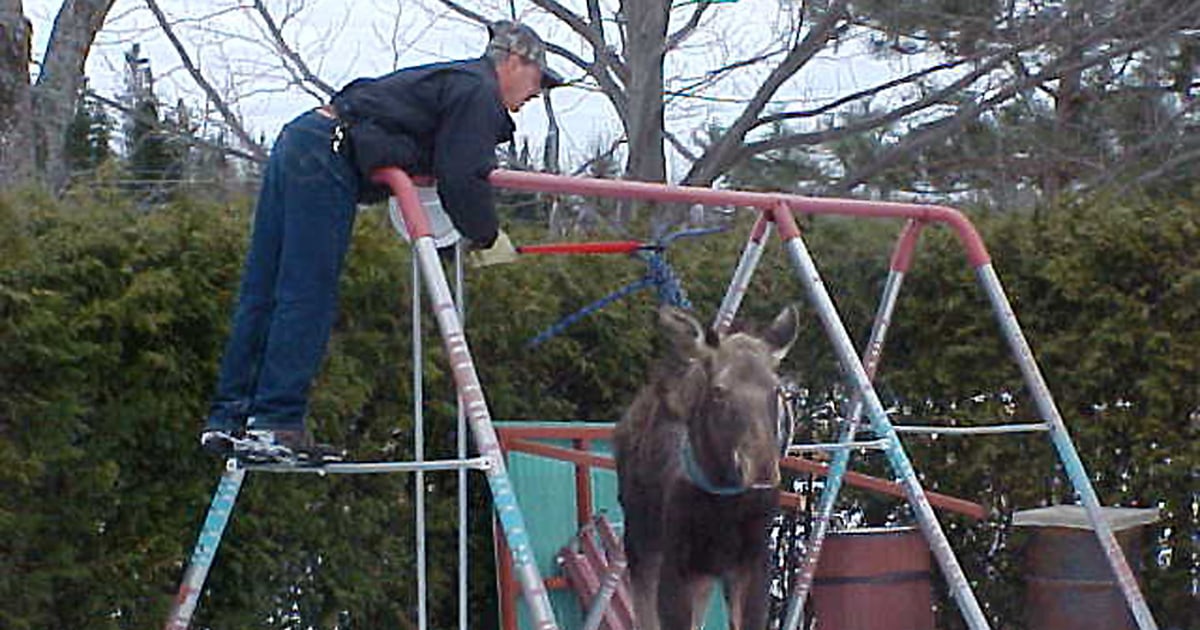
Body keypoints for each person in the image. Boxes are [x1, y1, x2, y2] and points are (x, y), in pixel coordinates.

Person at [200, 21, 563, 462]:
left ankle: (229, 419)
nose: (536, 92)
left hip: (303, 137)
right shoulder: (477, 92)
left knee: (265, 286)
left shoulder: (454, 84)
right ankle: (276, 422)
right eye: (538, 79)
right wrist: (487, 236)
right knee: (306, 290)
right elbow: (461, 178)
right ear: (514, 61)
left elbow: (440, 164)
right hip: (329, 152)